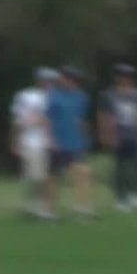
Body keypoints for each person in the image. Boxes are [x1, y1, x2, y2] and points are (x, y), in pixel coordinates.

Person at [98, 64, 137, 212]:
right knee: (120, 167)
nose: (125, 79)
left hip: (136, 134)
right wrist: (107, 135)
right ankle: (121, 198)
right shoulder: (109, 95)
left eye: (128, 77)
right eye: (122, 76)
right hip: (119, 135)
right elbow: (105, 116)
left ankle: (136, 195)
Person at [46, 66, 96, 218]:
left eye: (68, 79)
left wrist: (85, 137)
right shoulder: (53, 96)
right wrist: (50, 139)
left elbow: (81, 119)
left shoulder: (81, 97)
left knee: (82, 173)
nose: (65, 81)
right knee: (54, 177)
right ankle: (51, 211)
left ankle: (83, 208)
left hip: (75, 141)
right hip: (58, 140)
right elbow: (48, 119)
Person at [10, 68, 57, 218]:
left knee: (42, 176)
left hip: (45, 142)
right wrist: (16, 142)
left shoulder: (55, 98)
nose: (50, 84)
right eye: (47, 80)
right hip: (30, 141)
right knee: (31, 176)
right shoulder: (27, 96)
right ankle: (33, 207)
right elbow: (18, 121)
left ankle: (43, 209)